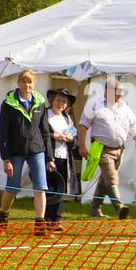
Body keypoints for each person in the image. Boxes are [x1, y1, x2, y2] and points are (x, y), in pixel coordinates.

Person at [0, 69, 54, 235]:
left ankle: (40, 225)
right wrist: (5, 158)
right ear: (18, 83)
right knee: (12, 188)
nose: (27, 85)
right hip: (16, 152)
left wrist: (49, 157)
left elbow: (45, 131)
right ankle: (2, 219)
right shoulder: (8, 103)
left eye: (30, 82)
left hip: (37, 150)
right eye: (24, 81)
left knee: (41, 187)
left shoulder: (40, 102)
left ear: (33, 84)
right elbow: (3, 132)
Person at [77, 78, 136, 219]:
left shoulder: (124, 107)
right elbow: (83, 125)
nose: (120, 95)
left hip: (120, 149)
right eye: (117, 92)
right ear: (107, 91)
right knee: (111, 178)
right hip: (102, 149)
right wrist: (82, 145)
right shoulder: (95, 104)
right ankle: (119, 208)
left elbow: (133, 125)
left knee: (104, 180)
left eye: (122, 92)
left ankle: (95, 209)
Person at [42, 88, 79, 233]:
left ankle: (56, 220)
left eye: (64, 101)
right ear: (52, 100)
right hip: (49, 157)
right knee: (48, 188)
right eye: (58, 100)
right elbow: (41, 134)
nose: (61, 104)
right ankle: (44, 219)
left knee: (60, 189)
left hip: (64, 158)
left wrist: (70, 139)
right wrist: (54, 136)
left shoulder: (67, 118)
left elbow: (73, 139)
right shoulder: (45, 114)